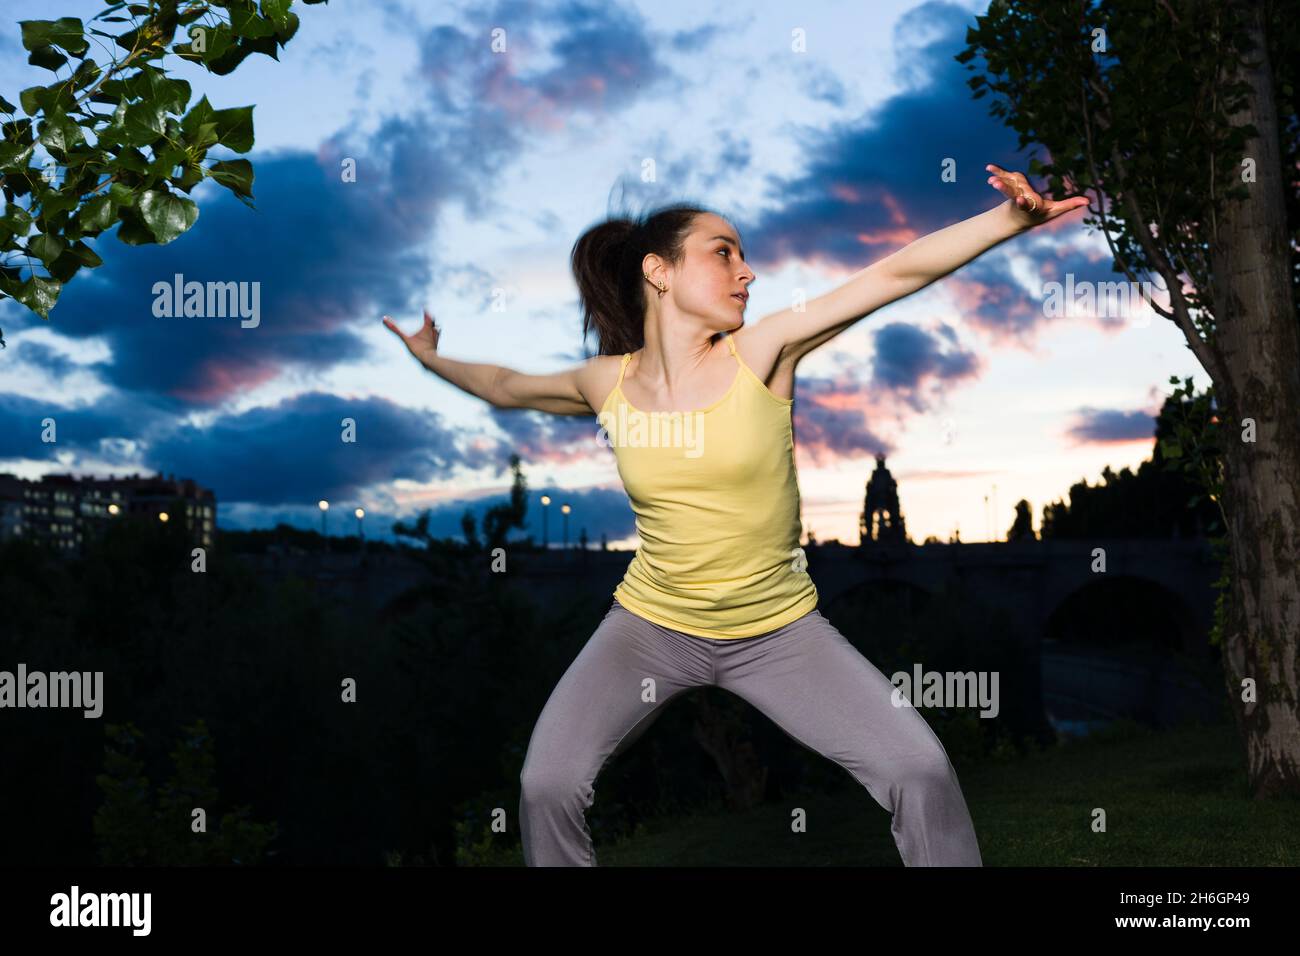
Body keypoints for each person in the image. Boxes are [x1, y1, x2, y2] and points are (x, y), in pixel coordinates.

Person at [384, 167, 1088, 866]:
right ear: (658, 271)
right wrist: (430, 359)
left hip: (780, 633)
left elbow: (892, 275)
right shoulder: (608, 384)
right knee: (546, 785)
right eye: (723, 252)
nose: (746, 271)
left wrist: (1009, 219)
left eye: (744, 256)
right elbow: (505, 385)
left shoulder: (762, 352)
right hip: (651, 629)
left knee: (921, 770)